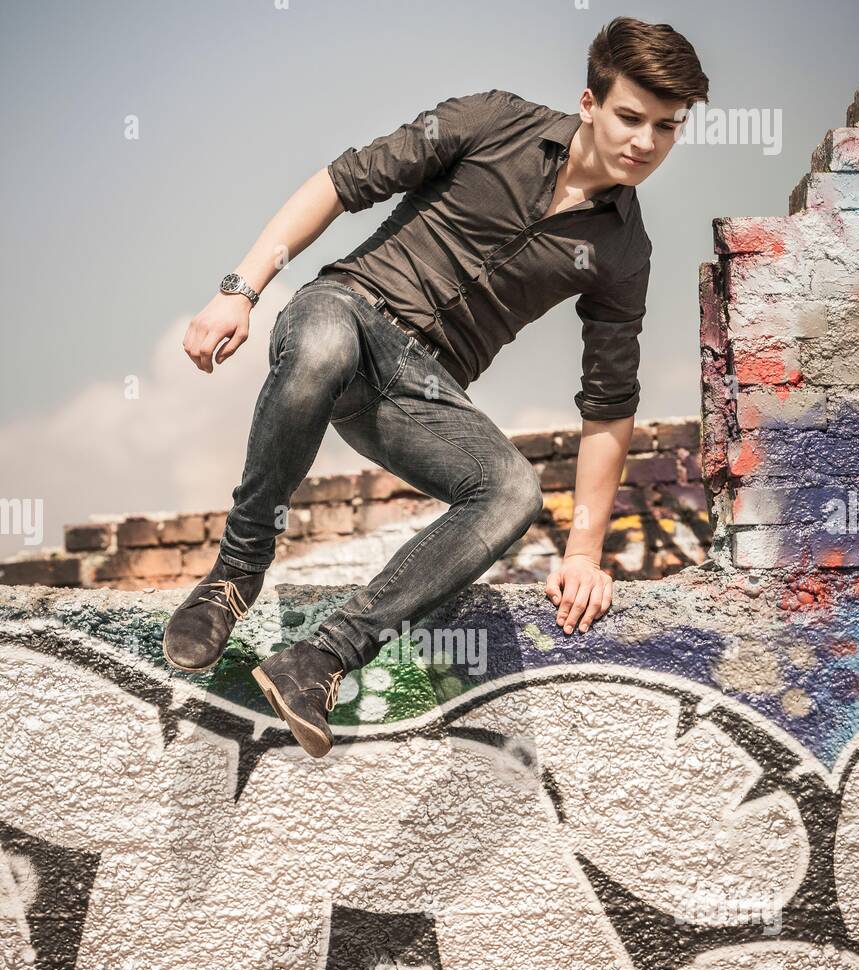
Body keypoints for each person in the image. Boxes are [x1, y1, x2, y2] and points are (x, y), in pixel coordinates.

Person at [163, 16, 708, 758]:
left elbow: (608, 404)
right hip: (348, 309)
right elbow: (341, 181)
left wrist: (583, 553)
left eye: (667, 127)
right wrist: (241, 289)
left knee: (513, 491)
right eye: (630, 117)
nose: (646, 142)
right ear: (589, 103)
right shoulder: (492, 121)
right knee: (320, 347)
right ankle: (234, 576)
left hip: (423, 391)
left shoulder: (621, 250)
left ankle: (319, 660)